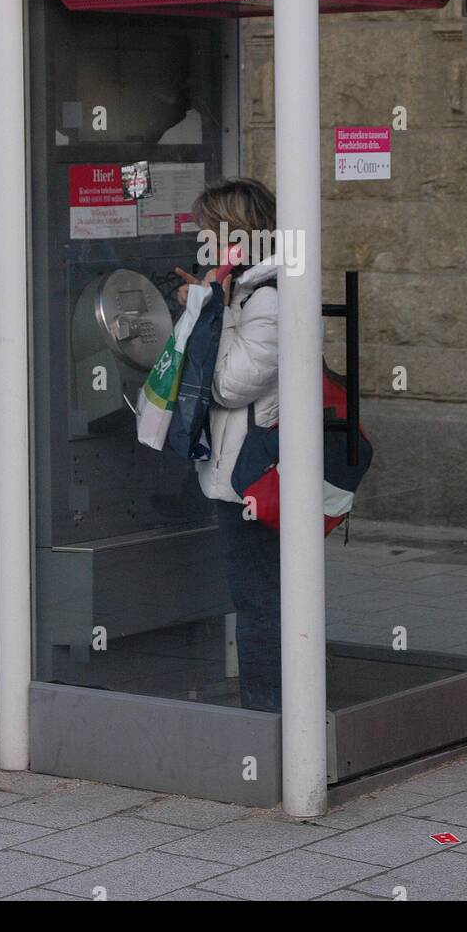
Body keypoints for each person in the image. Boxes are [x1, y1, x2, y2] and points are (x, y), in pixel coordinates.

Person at [175, 178, 281, 712]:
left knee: (260, 600)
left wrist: (203, 316)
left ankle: (270, 717)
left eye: (206, 232)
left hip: (255, 476)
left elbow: (228, 385)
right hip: (237, 471)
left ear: (235, 235)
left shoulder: (268, 297)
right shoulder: (243, 291)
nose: (200, 241)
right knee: (258, 596)